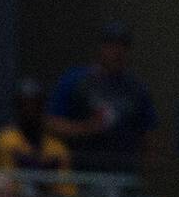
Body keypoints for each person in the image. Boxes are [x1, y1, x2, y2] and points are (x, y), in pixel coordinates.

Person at [47, 22, 157, 173]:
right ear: (101, 48)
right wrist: (87, 127)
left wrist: (144, 170)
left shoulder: (137, 89)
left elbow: (148, 134)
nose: (117, 52)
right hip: (81, 170)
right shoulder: (76, 81)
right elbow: (52, 124)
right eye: (111, 46)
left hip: (123, 173)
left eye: (123, 46)